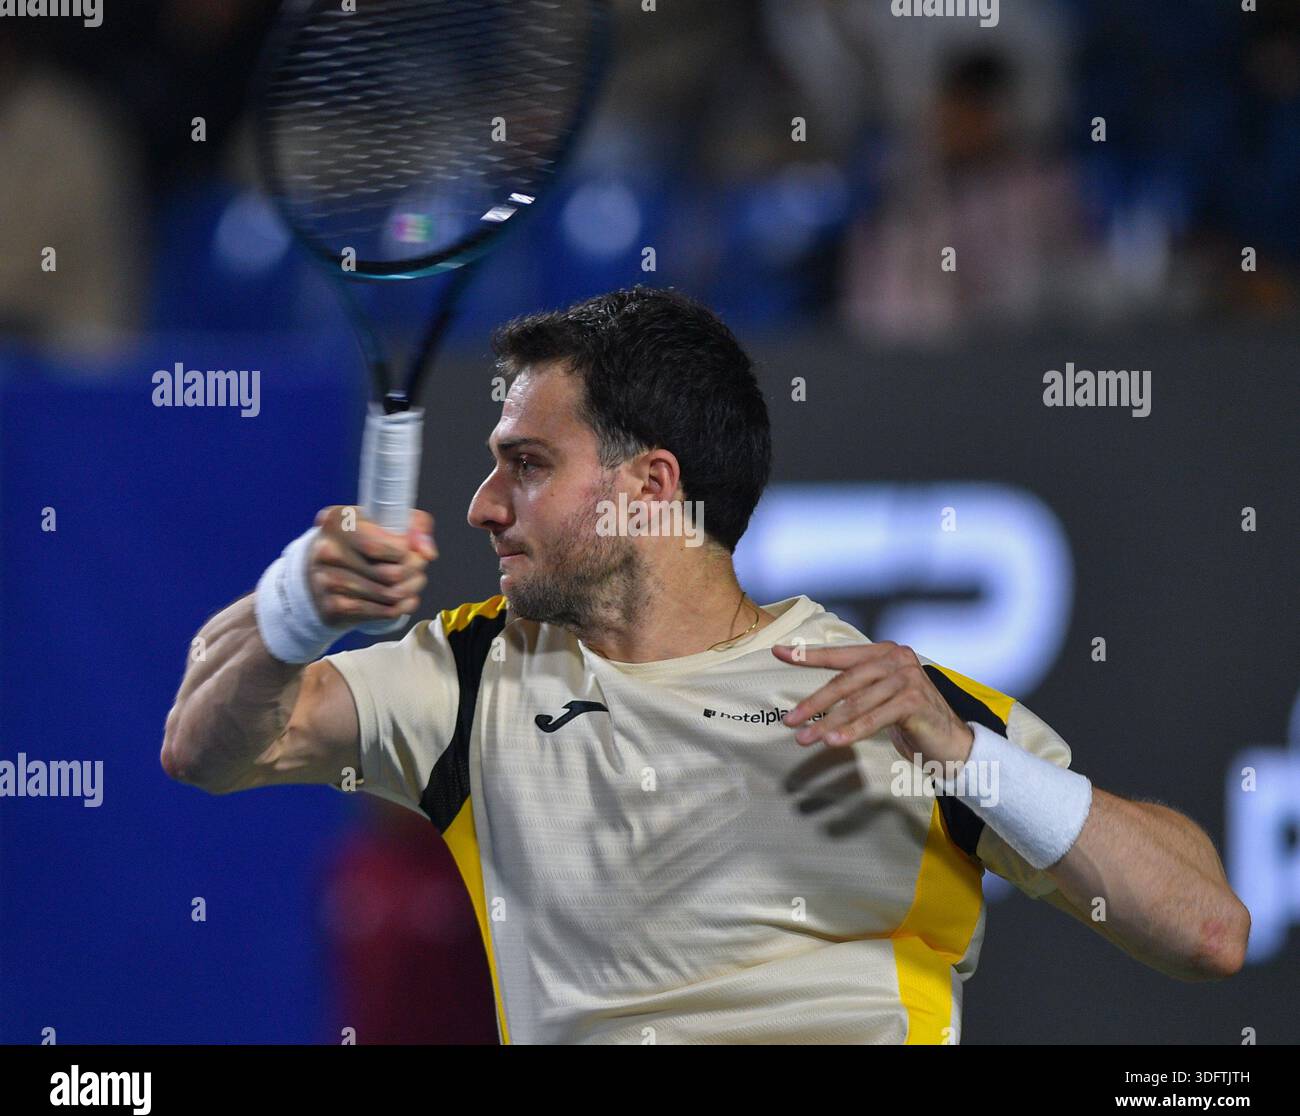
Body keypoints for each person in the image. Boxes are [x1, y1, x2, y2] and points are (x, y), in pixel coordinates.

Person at [161, 285, 1249, 1044]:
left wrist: (967, 757)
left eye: (526, 465)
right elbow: (203, 749)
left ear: (651, 486)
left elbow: (1205, 930)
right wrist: (296, 601)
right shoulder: (473, 673)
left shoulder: (889, 703)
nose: (487, 503)